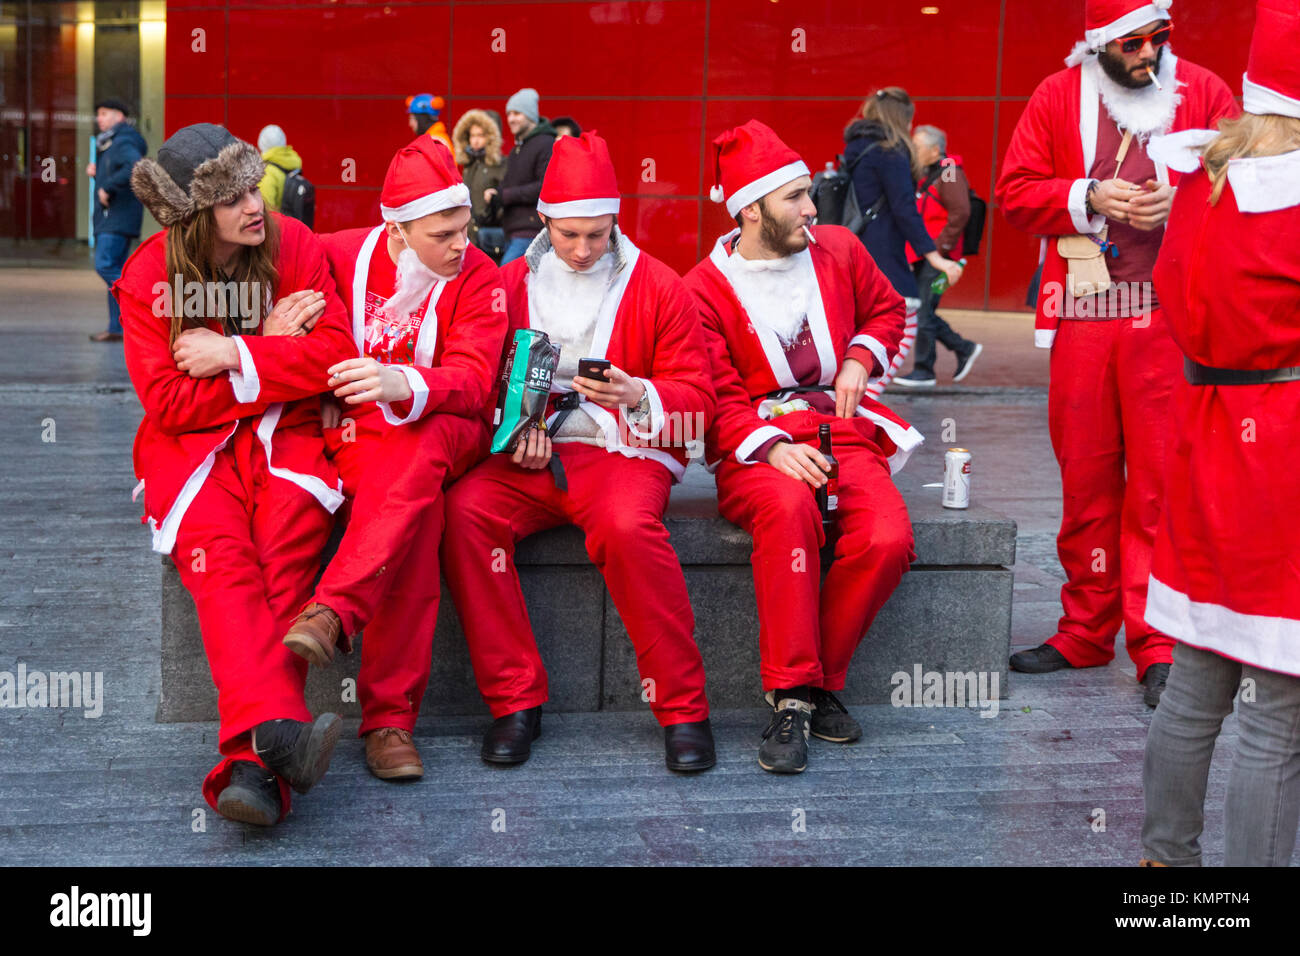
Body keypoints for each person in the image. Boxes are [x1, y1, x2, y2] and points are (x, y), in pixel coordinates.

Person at [440, 131, 717, 773]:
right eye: (569, 235)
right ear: (543, 220)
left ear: (616, 220)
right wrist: (511, 430)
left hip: (620, 453)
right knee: (463, 517)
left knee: (627, 528)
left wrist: (637, 390)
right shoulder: (503, 284)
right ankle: (514, 701)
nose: (584, 249)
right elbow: (473, 376)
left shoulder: (660, 285)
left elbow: (699, 398)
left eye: (597, 233)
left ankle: (683, 710)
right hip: (527, 459)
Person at [996, 0, 1238, 706]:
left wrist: (1185, 196)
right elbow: (1014, 192)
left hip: (1166, 315)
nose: (1150, 55)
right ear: (1098, 45)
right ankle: (1084, 629)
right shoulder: (1054, 95)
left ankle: (1157, 641)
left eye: (1159, 39)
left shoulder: (1205, 90)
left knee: (1161, 484)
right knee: (1086, 474)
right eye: (1133, 43)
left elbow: (1250, 183)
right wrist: (1090, 194)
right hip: (1084, 312)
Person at [116, 123, 358, 826]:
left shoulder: (296, 244)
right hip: (191, 448)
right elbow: (169, 402)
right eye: (233, 198)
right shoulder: (147, 278)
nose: (255, 205)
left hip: (290, 435)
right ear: (193, 214)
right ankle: (276, 738)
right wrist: (273, 351)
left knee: (284, 554)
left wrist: (236, 355)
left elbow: (335, 354)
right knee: (219, 559)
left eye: (255, 186)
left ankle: (252, 765)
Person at [688, 120, 921, 774]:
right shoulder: (702, 289)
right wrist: (769, 449)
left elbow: (888, 310)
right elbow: (714, 392)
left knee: (887, 540)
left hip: (846, 429)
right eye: (793, 197)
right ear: (750, 207)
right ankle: (790, 696)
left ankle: (815, 682)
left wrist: (857, 359)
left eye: (809, 193)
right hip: (757, 447)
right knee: (789, 514)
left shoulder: (840, 250)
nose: (811, 208)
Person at [279, 135, 507, 782]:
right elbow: (286, 314)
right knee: (416, 519)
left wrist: (403, 383)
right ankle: (387, 723)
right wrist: (300, 368)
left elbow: (473, 381)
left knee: (423, 450)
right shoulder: (338, 255)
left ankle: (336, 611)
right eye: (444, 234)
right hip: (355, 436)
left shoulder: (480, 278)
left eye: (465, 228)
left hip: (443, 424)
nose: (463, 244)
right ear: (397, 231)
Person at [1139, 0, 1300, 867]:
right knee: (1281, 707)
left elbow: (1173, 301)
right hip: (1283, 453)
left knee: (1198, 677)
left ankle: (1168, 870)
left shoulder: (1204, 181)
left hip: (1207, 436)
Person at [842, 87, 964, 394]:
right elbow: (904, 209)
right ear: (902, 118)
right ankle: (867, 398)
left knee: (862, 323)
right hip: (883, 254)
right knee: (906, 314)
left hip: (852, 249)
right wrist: (935, 257)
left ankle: (852, 397)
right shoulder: (890, 151)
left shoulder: (856, 147)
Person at [893, 124, 983, 387]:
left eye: (917, 147)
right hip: (930, 256)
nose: (913, 151)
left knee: (923, 311)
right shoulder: (931, 173)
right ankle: (963, 348)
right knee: (925, 309)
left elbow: (961, 212)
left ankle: (924, 370)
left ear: (934, 150)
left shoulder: (950, 173)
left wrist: (941, 249)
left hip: (941, 258)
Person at [86, 97, 146, 343]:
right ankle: (116, 327)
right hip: (115, 218)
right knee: (116, 272)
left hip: (116, 218)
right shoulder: (110, 143)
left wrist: (107, 186)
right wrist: (99, 173)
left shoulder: (123, 140)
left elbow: (134, 166)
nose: (99, 118)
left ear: (119, 117)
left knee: (106, 266)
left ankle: (141, 302)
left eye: (104, 113)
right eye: (98, 114)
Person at [490, 88, 556, 265]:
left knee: (504, 281)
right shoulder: (517, 149)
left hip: (530, 232)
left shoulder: (545, 143)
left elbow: (544, 186)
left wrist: (504, 196)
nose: (510, 119)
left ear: (530, 115)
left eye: (517, 113)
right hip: (513, 230)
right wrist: (496, 194)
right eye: (509, 114)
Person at [452, 109, 506, 254]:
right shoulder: (469, 166)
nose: (475, 140)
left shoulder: (502, 164)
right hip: (469, 236)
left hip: (491, 238)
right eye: (472, 135)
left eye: (481, 135)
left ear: (491, 137)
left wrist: (495, 201)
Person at [255, 124, 302, 214]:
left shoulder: (267, 172)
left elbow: (267, 212)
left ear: (262, 144)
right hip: (292, 224)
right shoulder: (292, 164)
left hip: (277, 226)